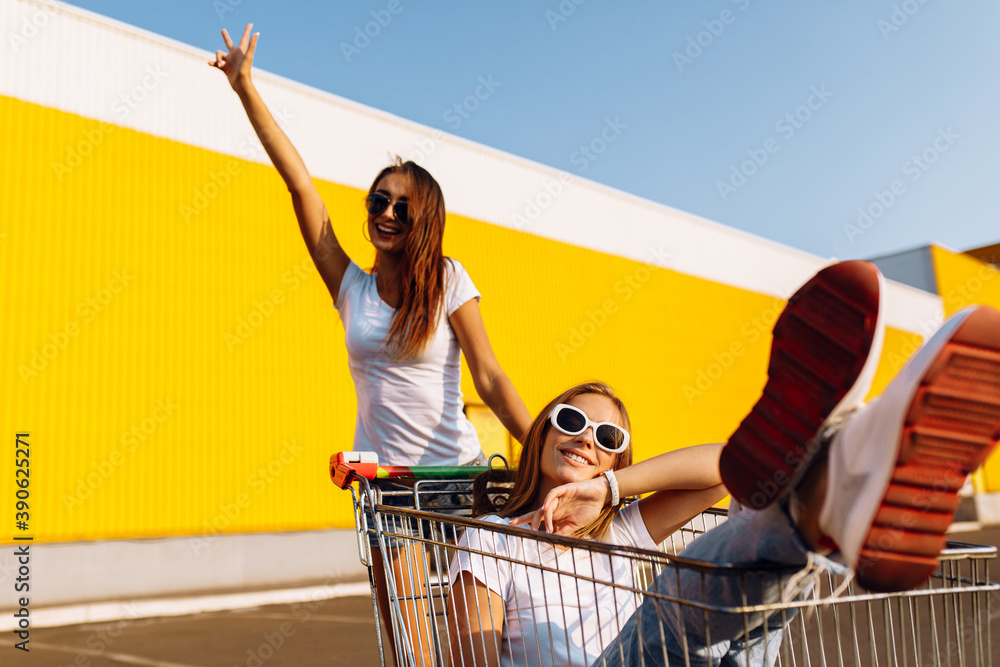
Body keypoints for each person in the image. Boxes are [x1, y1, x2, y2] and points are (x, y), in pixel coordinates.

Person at [447, 261, 1000, 666]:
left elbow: (724, 468)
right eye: (570, 421)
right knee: (679, 616)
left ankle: (827, 488)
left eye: (607, 436)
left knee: (747, 537)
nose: (585, 439)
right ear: (542, 429)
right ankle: (836, 472)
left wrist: (611, 491)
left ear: (617, 458)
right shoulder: (492, 540)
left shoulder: (618, 529)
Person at [209, 25, 532, 667]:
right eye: (378, 200)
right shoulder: (350, 287)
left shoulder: (447, 281)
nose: (386, 213)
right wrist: (246, 88)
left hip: (460, 482)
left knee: (477, 643)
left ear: (424, 221)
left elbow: (490, 378)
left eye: (402, 207)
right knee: (409, 648)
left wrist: (540, 452)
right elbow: (301, 185)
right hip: (392, 488)